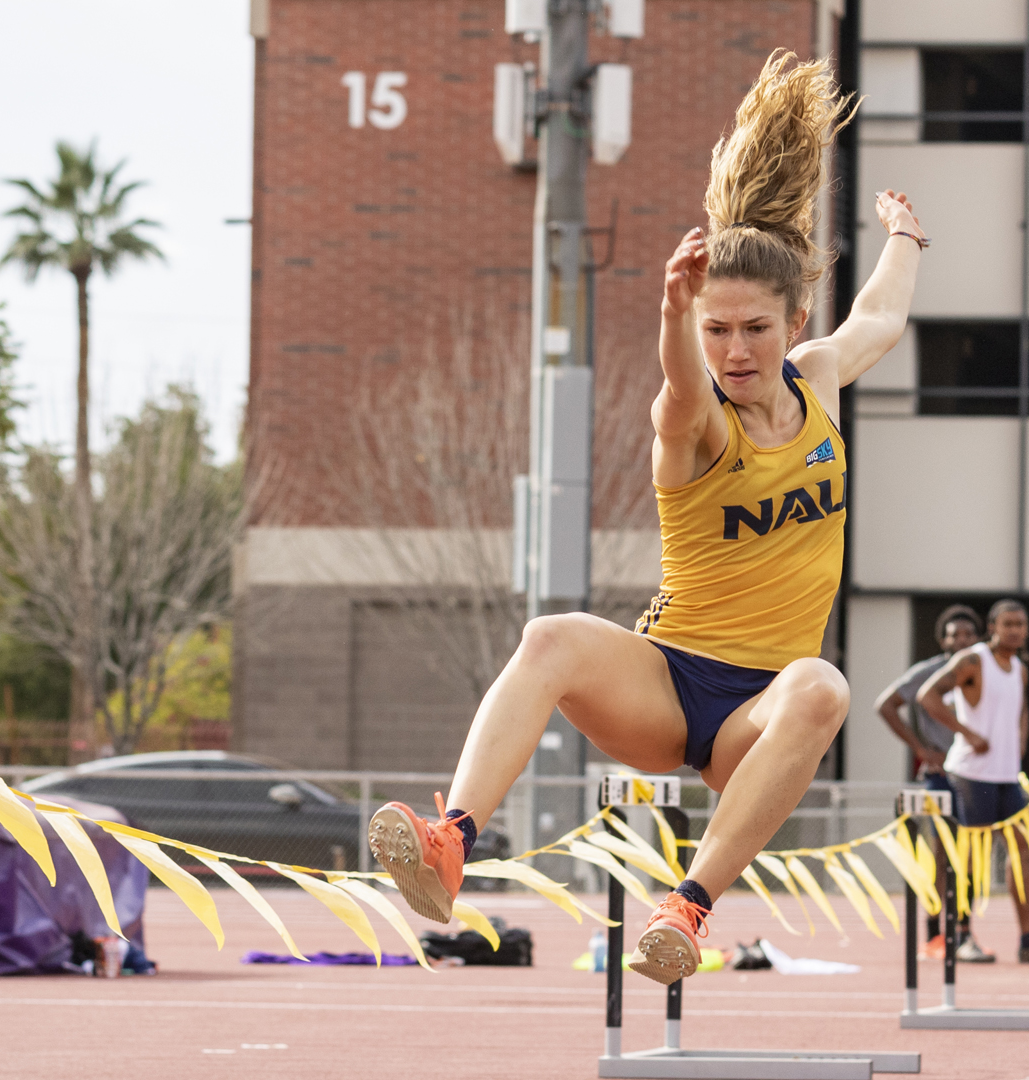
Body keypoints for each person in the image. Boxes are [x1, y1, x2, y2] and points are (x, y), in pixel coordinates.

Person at [365, 51, 927, 988]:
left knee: (821, 686)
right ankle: (450, 840)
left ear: (793, 326)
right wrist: (673, 312)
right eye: (716, 330)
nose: (734, 351)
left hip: (755, 715)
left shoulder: (818, 379)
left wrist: (904, 238)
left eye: (754, 329)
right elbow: (677, 384)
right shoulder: (695, 419)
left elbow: (877, 320)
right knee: (550, 636)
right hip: (665, 686)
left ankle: (688, 909)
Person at [918, 600, 1029, 963]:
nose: (1015, 630)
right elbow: (927, 696)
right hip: (970, 774)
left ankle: (1028, 938)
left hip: (1006, 775)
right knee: (971, 859)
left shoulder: (1019, 668)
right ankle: (962, 934)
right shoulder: (974, 660)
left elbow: (1021, 709)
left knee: (1023, 851)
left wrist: (1019, 744)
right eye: (1008, 624)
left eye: (1020, 624)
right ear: (993, 627)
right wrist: (967, 733)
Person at [873, 604, 982, 958]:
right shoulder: (928, 673)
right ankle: (935, 932)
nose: (961, 640)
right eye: (954, 634)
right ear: (942, 640)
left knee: (971, 855)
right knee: (942, 853)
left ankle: (965, 932)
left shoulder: (987, 673)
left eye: (968, 634)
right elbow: (885, 705)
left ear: (978, 638)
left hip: (976, 773)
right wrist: (920, 747)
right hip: (938, 774)